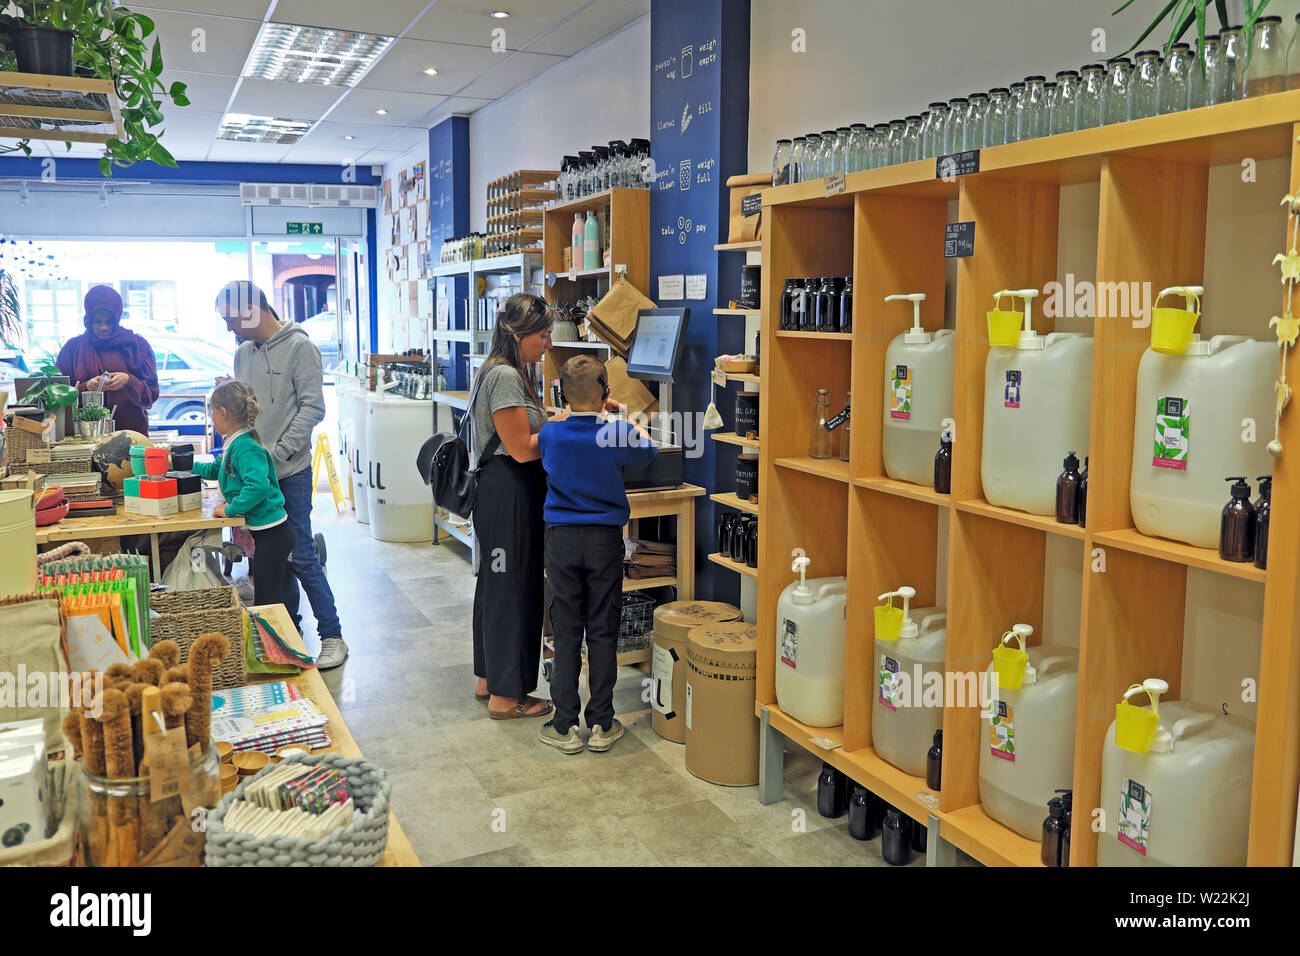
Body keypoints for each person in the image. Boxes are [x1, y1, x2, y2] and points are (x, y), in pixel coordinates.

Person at [214, 280, 347, 669]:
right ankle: (288, 634)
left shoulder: (300, 347)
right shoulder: (242, 353)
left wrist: (274, 455)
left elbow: (313, 409)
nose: (228, 327)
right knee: (269, 559)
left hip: (289, 473)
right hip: (257, 475)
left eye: (230, 318)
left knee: (302, 555)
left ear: (253, 308)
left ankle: (333, 635)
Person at [536, 355, 657, 753]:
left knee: (566, 630)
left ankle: (563, 725)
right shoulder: (618, 431)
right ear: (605, 392)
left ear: (562, 393)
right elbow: (650, 453)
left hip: (562, 541)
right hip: (605, 541)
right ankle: (603, 723)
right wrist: (623, 417)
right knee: (603, 631)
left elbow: (548, 447)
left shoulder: (551, 434)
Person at [470, 293, 555, 720]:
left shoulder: (503, 370)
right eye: (542, 334)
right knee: (511, 588)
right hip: (510, 494)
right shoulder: (505, 377)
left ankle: (490, 679)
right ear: (518, 334)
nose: (548, 343)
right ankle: (508, 696)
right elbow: (522, 448)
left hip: (502, 494)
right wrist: (567, 431)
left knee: (494, 582)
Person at [193, 381, 293, 607]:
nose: (212, 417)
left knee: (266, 604)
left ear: (223, 413)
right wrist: (181, 466)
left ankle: (272, 642)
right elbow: (214, 469)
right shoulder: (235, 443)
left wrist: (230, 509)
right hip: (267, 534)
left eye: (212, 412)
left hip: (274, 535)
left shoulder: (246, 447)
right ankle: (276, 639)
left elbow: (257, 487)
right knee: (270, 600)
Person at [55, 284, 159, 436]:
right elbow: (56, 394)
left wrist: (129, 381)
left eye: (109, 321)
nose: (103, 327)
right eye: (97, 321)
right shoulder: (73, 349)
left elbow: (152, 393)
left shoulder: (136, 346)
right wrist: (85, 387)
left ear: (117, 318)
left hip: (130, 435)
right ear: (89, 320)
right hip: (85, 437)